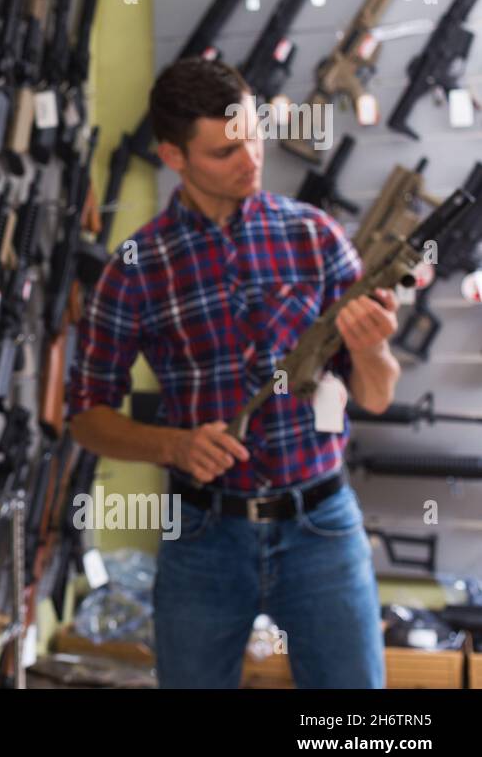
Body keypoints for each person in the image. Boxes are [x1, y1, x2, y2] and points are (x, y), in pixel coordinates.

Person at [68, 58, 400, 688]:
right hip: (203, 536)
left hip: (322, 528)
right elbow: (86, 416)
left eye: (253, 135)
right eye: (225, 150)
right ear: (173, 155)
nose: (250, 158)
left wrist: (371, 350)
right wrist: (173, 445)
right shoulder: (136, 267)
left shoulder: (316, 237)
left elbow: (377, 396)